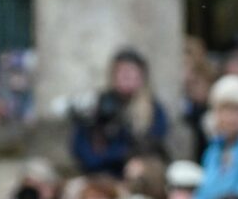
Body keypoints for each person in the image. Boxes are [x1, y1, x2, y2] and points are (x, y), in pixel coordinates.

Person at [69, 47, 169, 176]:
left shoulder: (152, 110)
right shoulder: (97, 104)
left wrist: (119, 154)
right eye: (122, 72)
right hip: (97, 172)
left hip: (131, 173)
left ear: (142, 77)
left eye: (132, 73)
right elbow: (80, 144)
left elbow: (152, 145)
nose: (126, 77)